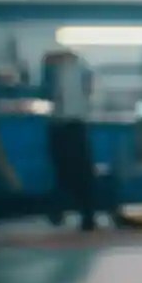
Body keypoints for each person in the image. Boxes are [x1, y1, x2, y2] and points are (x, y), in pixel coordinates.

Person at [42, 50, 97, 231]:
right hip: (73, 125)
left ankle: (62, 211)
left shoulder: (64, 72)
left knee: (67, 171)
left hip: (65, 125)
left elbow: (50, 95)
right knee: (79, 172)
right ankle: (83, 215)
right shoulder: (82, 71)